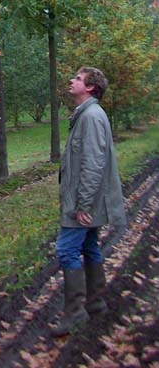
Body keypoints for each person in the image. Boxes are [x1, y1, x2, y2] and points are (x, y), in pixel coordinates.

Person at [51, 66, 127, 336]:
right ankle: (95, 303)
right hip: (86, 198)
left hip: (84, 201)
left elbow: (93, 164)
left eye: (78, 79)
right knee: (90, 244)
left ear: (91, 88)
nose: (71, 81)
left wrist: (83, 205)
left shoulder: (91, 117)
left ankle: (75, 314)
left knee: (66, 250)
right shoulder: (86, 114)